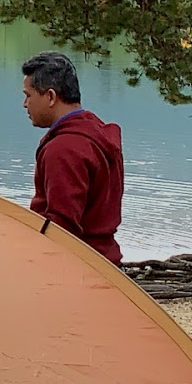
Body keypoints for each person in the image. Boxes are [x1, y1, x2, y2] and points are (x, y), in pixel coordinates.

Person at [21, 51, 125, 264]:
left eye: (28, 95)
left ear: (50, 97)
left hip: (77, 268)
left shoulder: (63, 149)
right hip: (107, 262)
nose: (25, 104)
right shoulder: (96, 132)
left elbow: (61, 228)